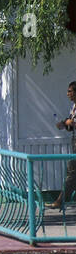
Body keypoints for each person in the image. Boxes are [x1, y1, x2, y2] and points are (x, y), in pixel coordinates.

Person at [57, 82, 76, 210]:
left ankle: (60, 200)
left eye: (70, 91)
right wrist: (65, 124)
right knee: (72, 172)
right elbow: (71, 124)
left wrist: (71, 123)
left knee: (72, 172)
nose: (68, 94)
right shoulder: (74, 107)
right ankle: (60, 199)